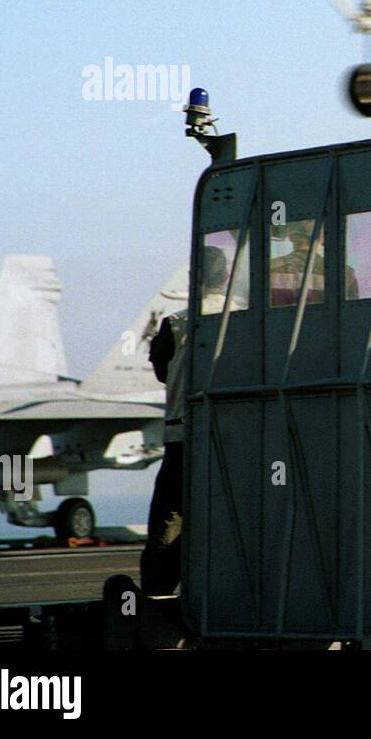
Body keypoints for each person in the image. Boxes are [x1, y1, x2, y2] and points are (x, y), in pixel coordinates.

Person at [140, 249, 230, 595]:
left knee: (168, 524)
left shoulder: (176, 323)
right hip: (236, 440)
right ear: (226, 277)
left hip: (183, 440)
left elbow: (162, 372)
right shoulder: (247, 315)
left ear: (194, 279)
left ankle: (156, 601)